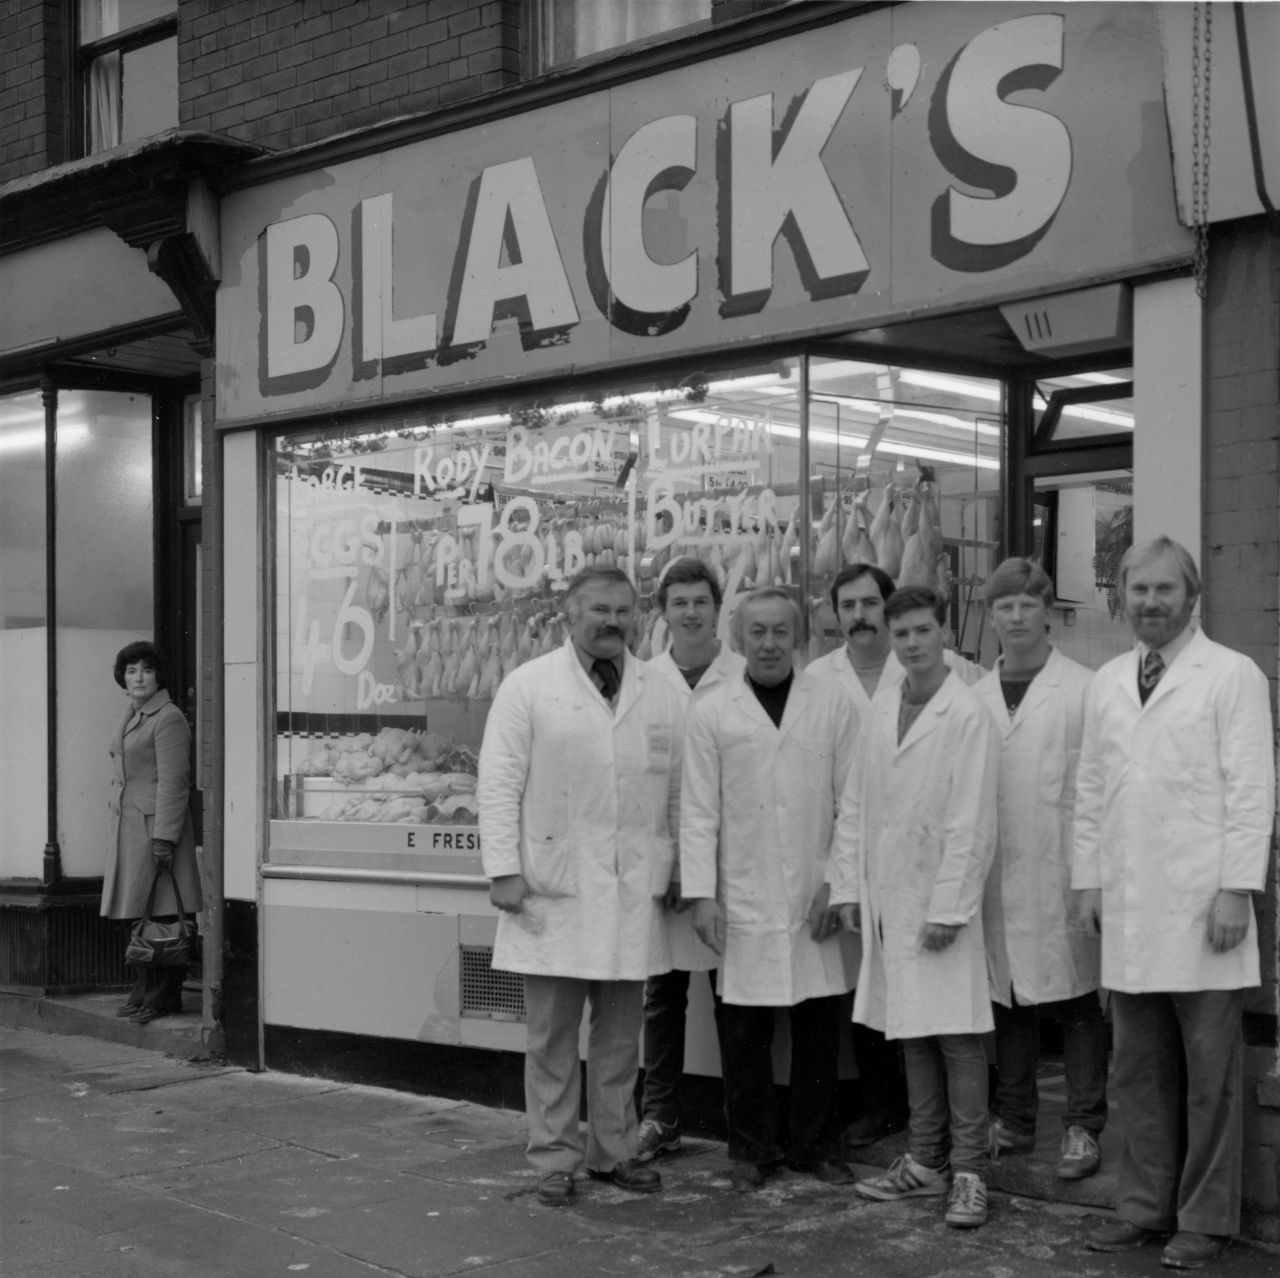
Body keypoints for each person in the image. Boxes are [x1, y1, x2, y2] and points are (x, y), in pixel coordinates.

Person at [1072, 537, 1274, 1271]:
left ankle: (1205, 1220)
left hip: (1204, 913)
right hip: (1130, 911)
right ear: (1120, 598)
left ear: (1193, 597)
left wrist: (1235, 889)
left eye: (1165, 589)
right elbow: (1091, 791)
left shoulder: (1232, 676)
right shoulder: (1109, 682)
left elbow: (1253, 791)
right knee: (1139, 1072)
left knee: (1208, 1078)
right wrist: (1088, 881)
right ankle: (1143, 1209)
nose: (1150, 603)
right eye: (1138, 590)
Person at [478, 566, 685, 1207]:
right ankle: (554, 1157)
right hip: (550, 890)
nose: (613, 622)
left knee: (622, 1038)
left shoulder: (659, 691)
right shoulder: (529, 686)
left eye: (624, 610)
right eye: (600, 609)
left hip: (629, 892)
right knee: (551, 1039)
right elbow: (498, 781)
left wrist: (676, 867)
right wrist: (504, 869)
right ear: (571, 615)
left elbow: (677, 789)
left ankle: (615, 1151)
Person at [830, 585, 1000, 1229]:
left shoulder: (967, 714)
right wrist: (847, 886)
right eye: (900, 635)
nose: (911, 645)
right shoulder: (882, 707)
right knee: (913, 1032)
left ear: (943, 631)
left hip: (940, 900)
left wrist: (949, 908)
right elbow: (856, 802)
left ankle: (970, 1174)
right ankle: (925, 1162)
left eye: (923, 632)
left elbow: (974, 820)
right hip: (890, 897)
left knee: (956, 1036)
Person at [682, 586, 860, 1192]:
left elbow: (854, 802)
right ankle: (751, 1151)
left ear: (799, 637)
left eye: (780, 631)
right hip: (742, 893)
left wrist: (838, 881)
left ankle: (817, 1146)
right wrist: (702, 893)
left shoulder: (832, 703)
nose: (768, 643)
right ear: (738, 638)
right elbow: (698, 809)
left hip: (815, 889)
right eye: (756, 632)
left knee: (817, 1032)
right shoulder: (712, 710)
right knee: (744, 1033)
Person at [973, 559, 1106, 1180]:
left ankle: (1083, 1126)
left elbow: (1096, 792)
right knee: (1011, 1000)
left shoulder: (1084, 689)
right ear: (991, 615)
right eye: (1006, 607)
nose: (1017, 617)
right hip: (997, 877)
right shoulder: (973, 697)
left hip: (1063, 870)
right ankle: (1017, 1122)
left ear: (1047, 611)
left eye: (1028, 605)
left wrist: (1090, 876)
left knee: (1078, 1000)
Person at [637, 558, 745, 1163]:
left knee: (734, 998)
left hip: (729, 865)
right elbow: (649, 781)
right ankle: (661, 1118)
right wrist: (672, 864)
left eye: (701, 601)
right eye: (679, 603)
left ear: (717, 606)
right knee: (663, 996)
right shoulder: (646, 680)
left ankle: (743, 1124)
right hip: (665, 868)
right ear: (664, 612)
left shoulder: (741, 674)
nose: (691, 612)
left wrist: (701, 867)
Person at [805, 562, 911, 1148]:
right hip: (849, 858)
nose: (860, 616)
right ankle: (881, 1106)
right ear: (834, 614)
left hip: (914, 854)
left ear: (889, 610)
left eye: (871, 604)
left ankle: (931, 1109)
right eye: (848, 606)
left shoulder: (925, 669)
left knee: (919, 980)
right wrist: (832, 876)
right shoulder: (818, 680)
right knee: (864, 989)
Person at [101, 641, 201, 1024]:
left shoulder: (168, 716)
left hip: (155, 831)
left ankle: (161, 998)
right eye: (130, 671)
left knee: (162, 912)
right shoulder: (133, 714)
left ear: (158, 675)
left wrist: (165, 838)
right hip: (131, 829)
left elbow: (174, 783)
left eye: (145, 669)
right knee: (141, 912)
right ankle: (144, 993)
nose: (138, 677)